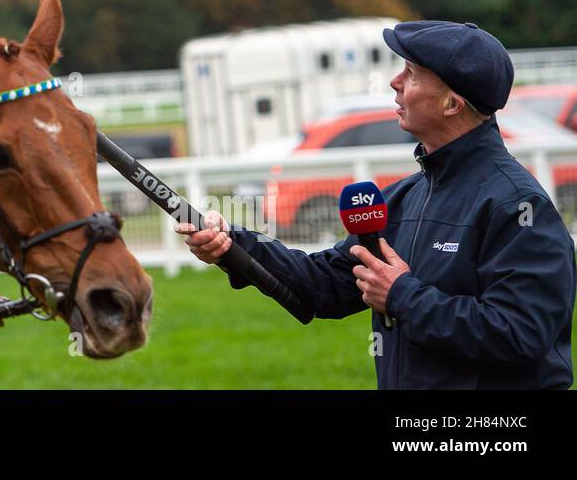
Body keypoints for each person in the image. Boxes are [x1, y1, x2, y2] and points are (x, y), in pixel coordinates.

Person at [177, 20, 575, 389]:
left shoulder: (519, 206)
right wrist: (232, 245)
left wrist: (403, 295)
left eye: (412, 74)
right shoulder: (403, 198)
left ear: (452, 104)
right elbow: (321, 287)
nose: (394, 82)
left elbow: (522, 335)